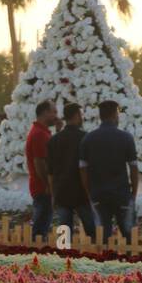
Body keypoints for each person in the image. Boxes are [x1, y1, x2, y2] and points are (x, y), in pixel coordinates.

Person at [80, 99, 139, 244]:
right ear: (115, 115)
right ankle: (133, 263)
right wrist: (134, 192)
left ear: (100, 116)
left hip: (98, 193)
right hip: (121, 192)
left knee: (102, 236)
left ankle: (102, 262)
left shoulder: (88, 138)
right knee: (129, 235)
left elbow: (82, 169)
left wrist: (88, 191)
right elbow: (133, 168)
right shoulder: (126, 137)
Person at [47, 102, 96, 241]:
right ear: (76, 115)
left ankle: (64, 257)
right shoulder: (85, 138)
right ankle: (98, 255)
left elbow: (50, 171)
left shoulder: (54, 140)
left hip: (61, 191)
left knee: (64, 233)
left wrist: (53, 194)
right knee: (92, 231)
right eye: (81, 115)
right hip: (82, 191)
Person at [26, 100, 56, 239]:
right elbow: (40, 163)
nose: (56, 116)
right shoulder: (39, 134)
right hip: (42, 187)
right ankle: (35, 254)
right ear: (45, 113)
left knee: (43, 223)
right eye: (53, 112)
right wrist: (48, 184)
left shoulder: (42, 132)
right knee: (40, 228)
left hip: (43, 186)